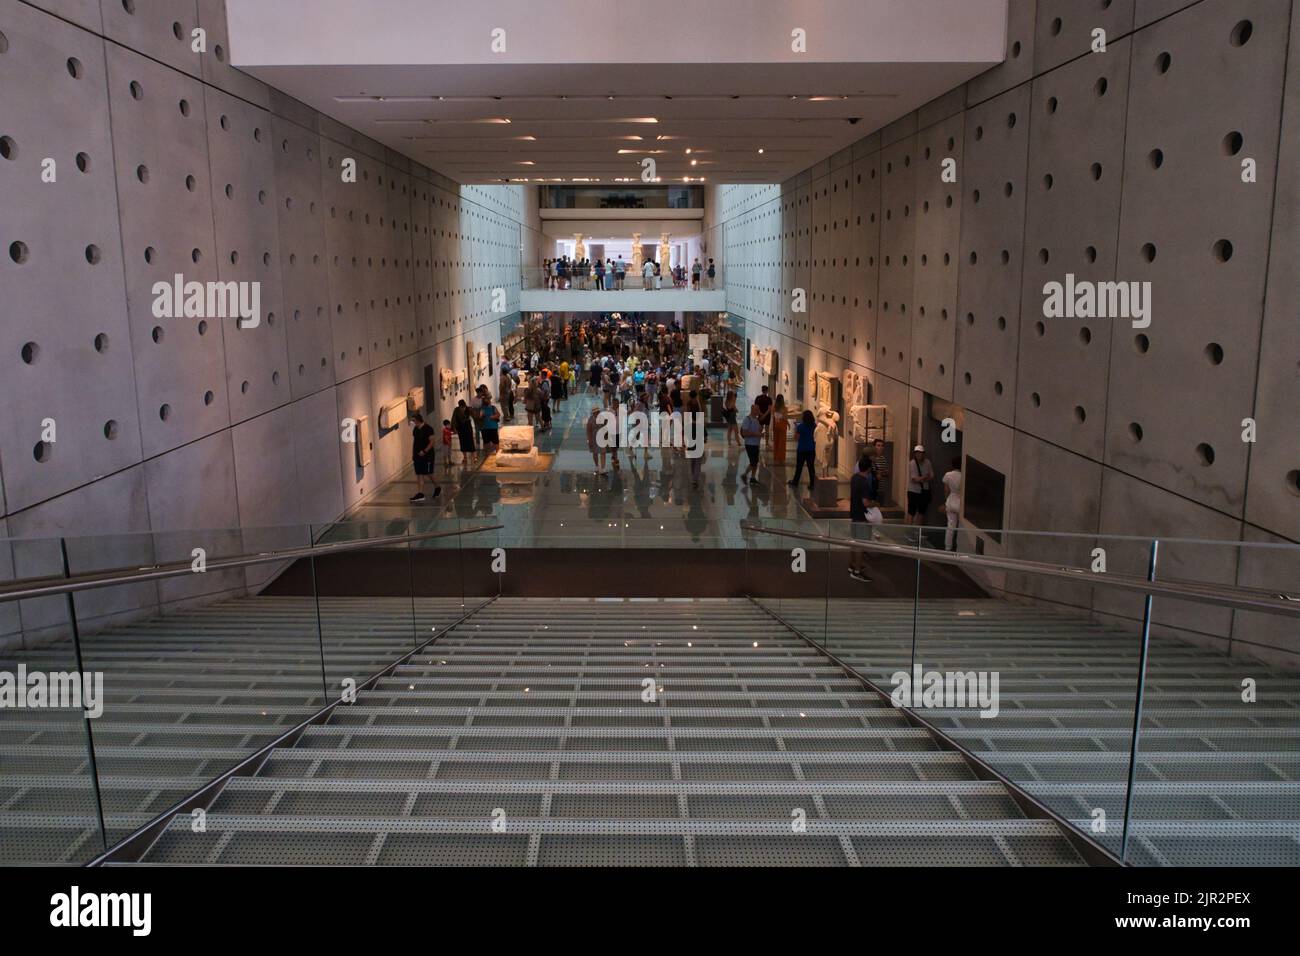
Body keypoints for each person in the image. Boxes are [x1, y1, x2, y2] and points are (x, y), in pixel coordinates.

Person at [848, 455, 882, 581]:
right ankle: (857, 572)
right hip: (862, 517)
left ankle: (852, 566)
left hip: (854, 514)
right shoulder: (864, 483)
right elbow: (866, 503)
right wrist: (875, 504)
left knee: (854, 542)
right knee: (860, 545)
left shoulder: (854, 478)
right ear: (868, 469)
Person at [408, 413, 440, 502]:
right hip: (417, 455)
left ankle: (437, 487)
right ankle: (420, 493)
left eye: (413, 420)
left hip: (427, 455)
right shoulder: (415, 429)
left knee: (429, 473)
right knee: (419, 473)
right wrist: (414, 454)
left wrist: (425, 451)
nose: (412, 422)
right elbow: (415, 442)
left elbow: (432, 442)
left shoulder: (428, 429)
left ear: (418, 420)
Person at [788, 409, 817, 493]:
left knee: (799, 467)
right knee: (811, 467)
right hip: (811, 449)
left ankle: (795, 481)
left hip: (802, 449)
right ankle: (812, 484)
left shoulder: (800, 426)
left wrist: (795, 429)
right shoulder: (814, 426)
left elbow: (796, 438)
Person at [907, 445, 935, 526]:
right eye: (917, 453)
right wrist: (925, 477)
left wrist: (922, 478)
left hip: (925, 490)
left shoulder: (928, 462)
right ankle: (909, 530)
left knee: (921, 512)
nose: (919, 455)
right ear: (915, 454)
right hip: (913, 491)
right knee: (911, 512)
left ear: (924, 454)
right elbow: (914, 479)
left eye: (921, 453)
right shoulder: (912, 463)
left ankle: (918, 531)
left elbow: (932, 476)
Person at [941, 456, 963, 551]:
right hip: (960, 502)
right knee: (961, 526)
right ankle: (959, 548)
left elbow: (946, 490)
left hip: (951, 500)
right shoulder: (963, 475)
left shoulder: (948, 475)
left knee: (950, 526)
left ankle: (948, 547)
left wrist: (946, 500)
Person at [740, 404, 763, 484]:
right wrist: (755, 434)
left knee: (755, 461)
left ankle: (753, 477)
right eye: (756, 410)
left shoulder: (756, 420)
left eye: (758, 410)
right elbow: (744, 432)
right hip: (750, 444)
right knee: (753, 462)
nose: (758, 411)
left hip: (756, 444)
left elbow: (759, 430)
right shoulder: (747, 419)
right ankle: (745, 474)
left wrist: (760, 433)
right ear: (752, 410)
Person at [451, 400, 475, 466]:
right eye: (461, 407)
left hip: (468, 426)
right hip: (460, 427)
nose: (462, 408)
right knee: (462, 441)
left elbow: (474, 416)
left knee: (470, 441)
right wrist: (454, 428)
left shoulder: (468, 409)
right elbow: (454, 419)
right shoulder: (456, 410)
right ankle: (465, 457)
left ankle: (473, 456)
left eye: (463, 406)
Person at [586, 405, 607, 475]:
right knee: (595, 453)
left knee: (603, 452)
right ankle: (597, 466)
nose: (597, 413)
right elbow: (588, 431)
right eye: (595, 412)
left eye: (598, 411)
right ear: (593, 413)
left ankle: (603, 468)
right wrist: (589, 440)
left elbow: (606, 428)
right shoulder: (590, 419)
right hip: (593, 438)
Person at [771, 394, 788, 465]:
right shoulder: (784, 408)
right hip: (782, 425)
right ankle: (781, 458)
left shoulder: (773, 408)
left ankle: (776, 457)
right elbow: (784, 417)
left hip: (776, 425)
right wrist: (788, 423)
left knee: (776, 442)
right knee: (782, 443)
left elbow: (773, 417)